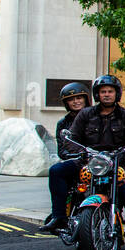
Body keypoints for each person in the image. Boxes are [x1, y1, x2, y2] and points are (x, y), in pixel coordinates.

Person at [67, 75, 125, 250]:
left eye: (110, 91)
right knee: (73, 185)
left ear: (117, 94)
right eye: (102, 92)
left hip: (118, 166)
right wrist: (82, 153)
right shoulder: (85, 114)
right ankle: (65, 219)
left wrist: (123, 153)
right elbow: (73, 139)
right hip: (92, 164)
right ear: (97, 94)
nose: (106, 95)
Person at [40, 82, 92, 234]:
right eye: (71, 99)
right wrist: (78, 155)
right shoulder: (63, 123)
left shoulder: (96, 116)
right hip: (78, 162)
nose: (76, 101)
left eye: (79, 98)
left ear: (86, 98)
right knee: (56, 171)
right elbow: (62, 150)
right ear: (66, 103)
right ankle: (59, 216)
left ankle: (120, 220)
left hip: (99, 162)